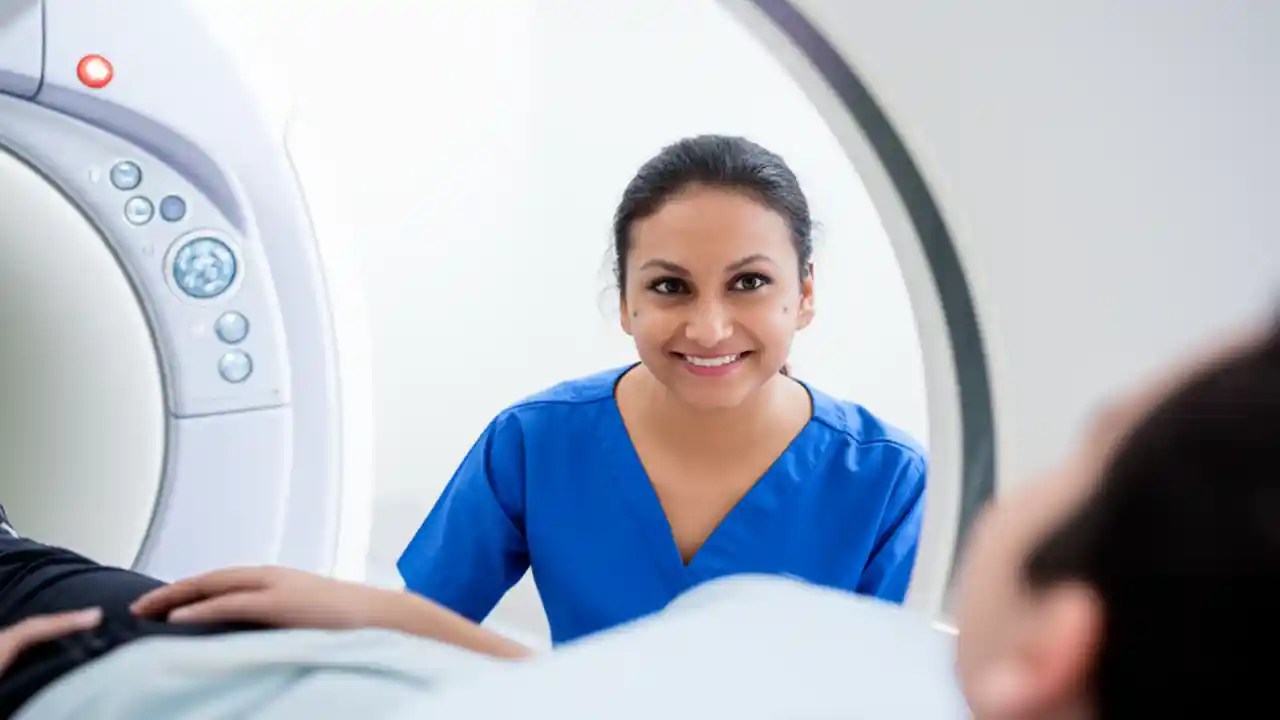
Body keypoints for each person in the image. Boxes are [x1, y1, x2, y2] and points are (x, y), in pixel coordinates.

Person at [1, 315, 1275, 718]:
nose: (708, 326)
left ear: (1056, 648)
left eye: (1082, 455)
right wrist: (386, 614)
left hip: (111, 672)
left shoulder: (876, 497)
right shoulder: (544, 436)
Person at [396, 134, 928, 644]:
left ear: (805, 293)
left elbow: (900, 690)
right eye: (670, 287)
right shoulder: (532, 444)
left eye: (749, 283)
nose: (709, 329)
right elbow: (404, 635)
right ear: (627, 302)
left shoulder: (889, 482)